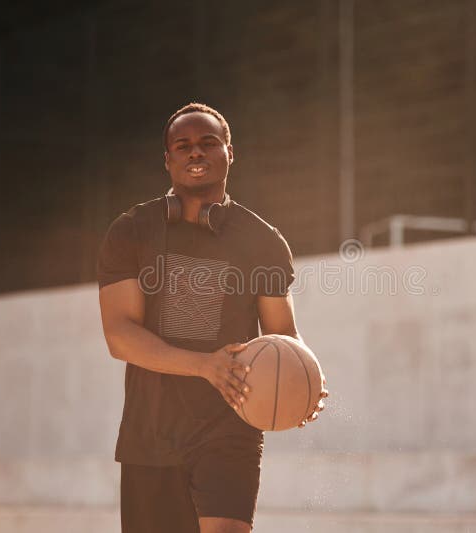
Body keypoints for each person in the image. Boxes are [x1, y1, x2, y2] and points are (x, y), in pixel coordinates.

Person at [96, 102, 327, 533]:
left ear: (229, 152)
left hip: (229, 430)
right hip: (151, 436)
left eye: (208, 142)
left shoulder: (262, 241)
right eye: (182, 146)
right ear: (168, 159)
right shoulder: (131, 231)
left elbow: (282, 334)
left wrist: (306, 378)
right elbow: (119, 335)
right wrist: (205, 366)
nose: (195, 152)